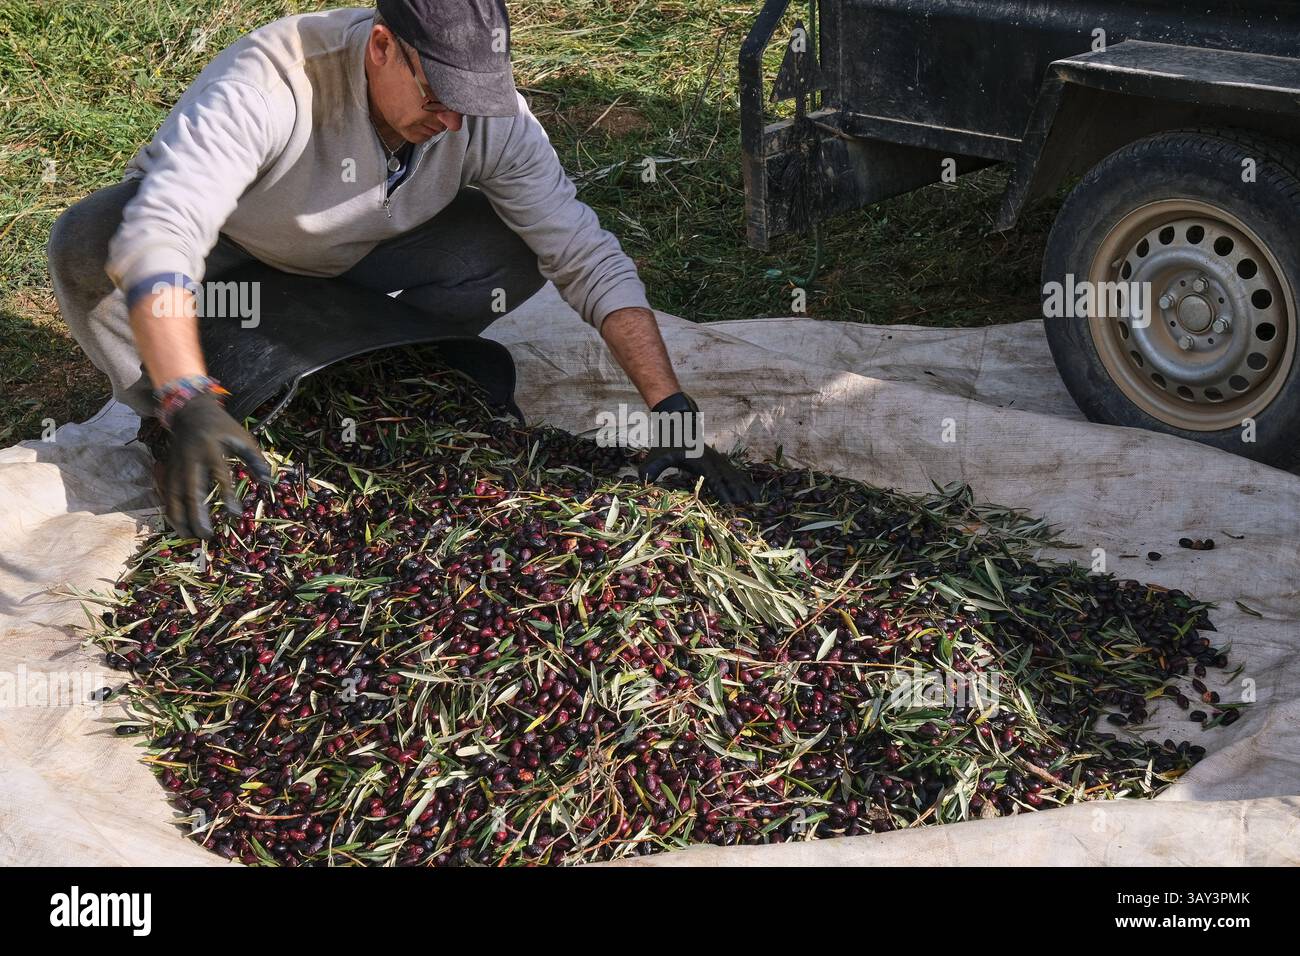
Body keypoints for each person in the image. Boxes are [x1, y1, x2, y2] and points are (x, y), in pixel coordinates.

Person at [48, 0, 756, 539]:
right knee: (93, 237)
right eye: (437, 97)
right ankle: (183, 418)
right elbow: (162, 235)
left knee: (504, 247)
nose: (452, 123)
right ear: (383, 47)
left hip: (347, 262)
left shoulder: (481, 113)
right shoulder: (273, 81)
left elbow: (581, 250)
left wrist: (670, 416)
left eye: (470, 103)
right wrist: (184, 394)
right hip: (217, 267)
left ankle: (367, 377)